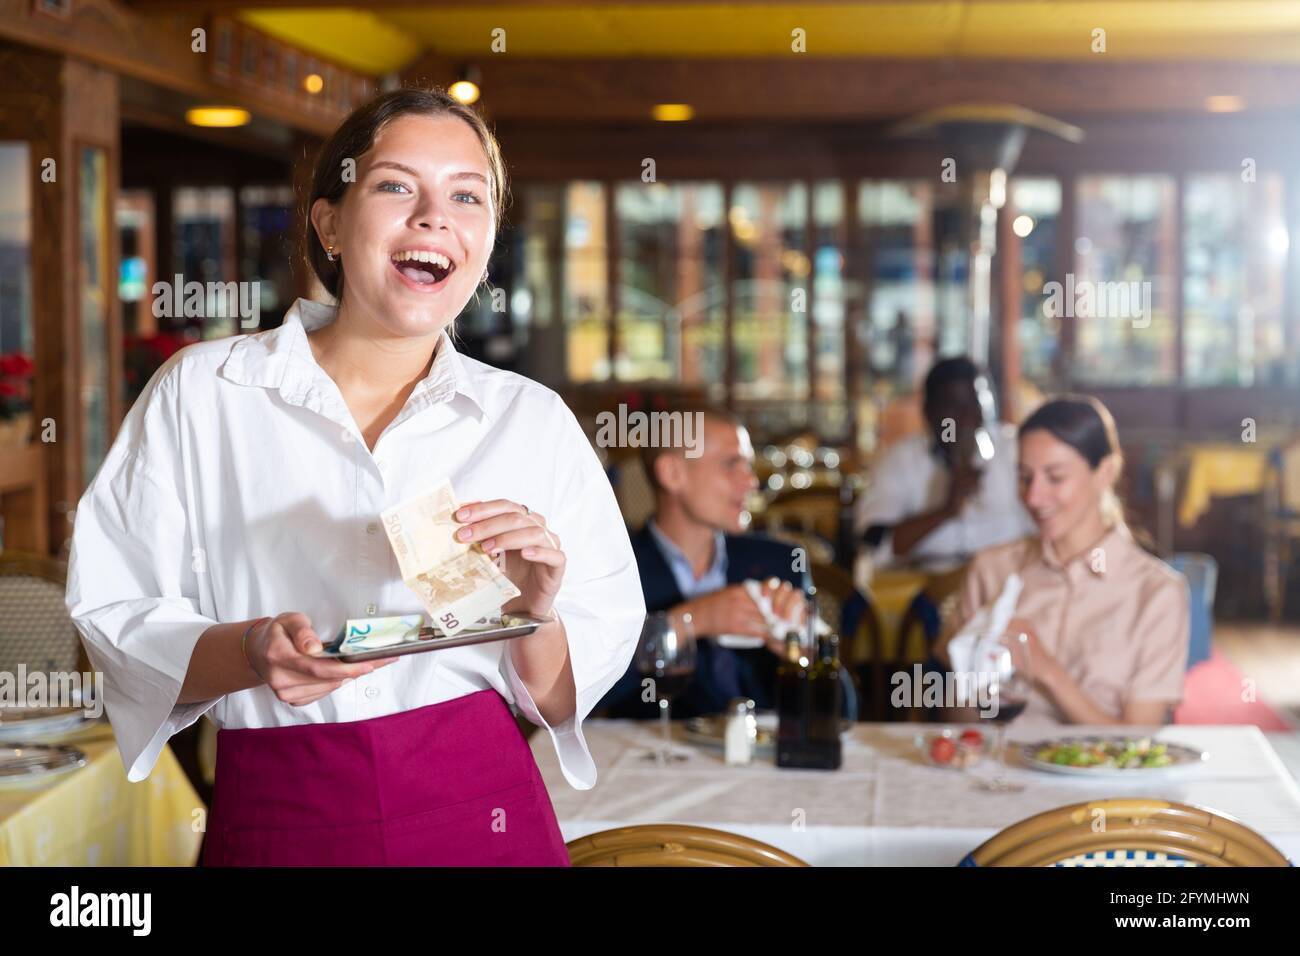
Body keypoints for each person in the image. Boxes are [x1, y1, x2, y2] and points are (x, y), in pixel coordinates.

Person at [64, 87, 644, 866]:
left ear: (485, 240)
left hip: (480, 813)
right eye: (397, 185)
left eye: (466, 196)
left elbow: (560, 701)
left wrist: (530, 611)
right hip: (281, 814)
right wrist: (251, 650)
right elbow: (113, 612)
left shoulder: (531, 422)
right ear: (330, 224)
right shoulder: (204, 393)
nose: (435, 216)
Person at [939, 396, 1190, 725]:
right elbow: (958, 719)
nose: (1033, 497)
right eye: (1025, 477)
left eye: (1055, 478)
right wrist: (966, 667)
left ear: (1106, 472)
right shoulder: (991, 569)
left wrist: (1046, 671)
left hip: (1104, 773)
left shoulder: (1156, 593)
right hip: (999, 771)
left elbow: (1136, 746)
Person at [597, 403, 811, 719]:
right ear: (672, 473)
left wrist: (804, 655)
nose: (751, 482)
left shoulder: (780, 564)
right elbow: (581, 696)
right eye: (730, 464)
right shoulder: (610, 570)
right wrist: (688, 622)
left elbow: (844, 710)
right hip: (649, 761)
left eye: (749, 466)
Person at [855, 357, 1034, 570]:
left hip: (1004, 583)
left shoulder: (1014, 451)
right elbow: (875, 543)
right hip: (926, 589)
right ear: (929, 413)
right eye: (954, 407)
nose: (967, 417)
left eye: (975, 404)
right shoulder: (901, 460)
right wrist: (947, 509)